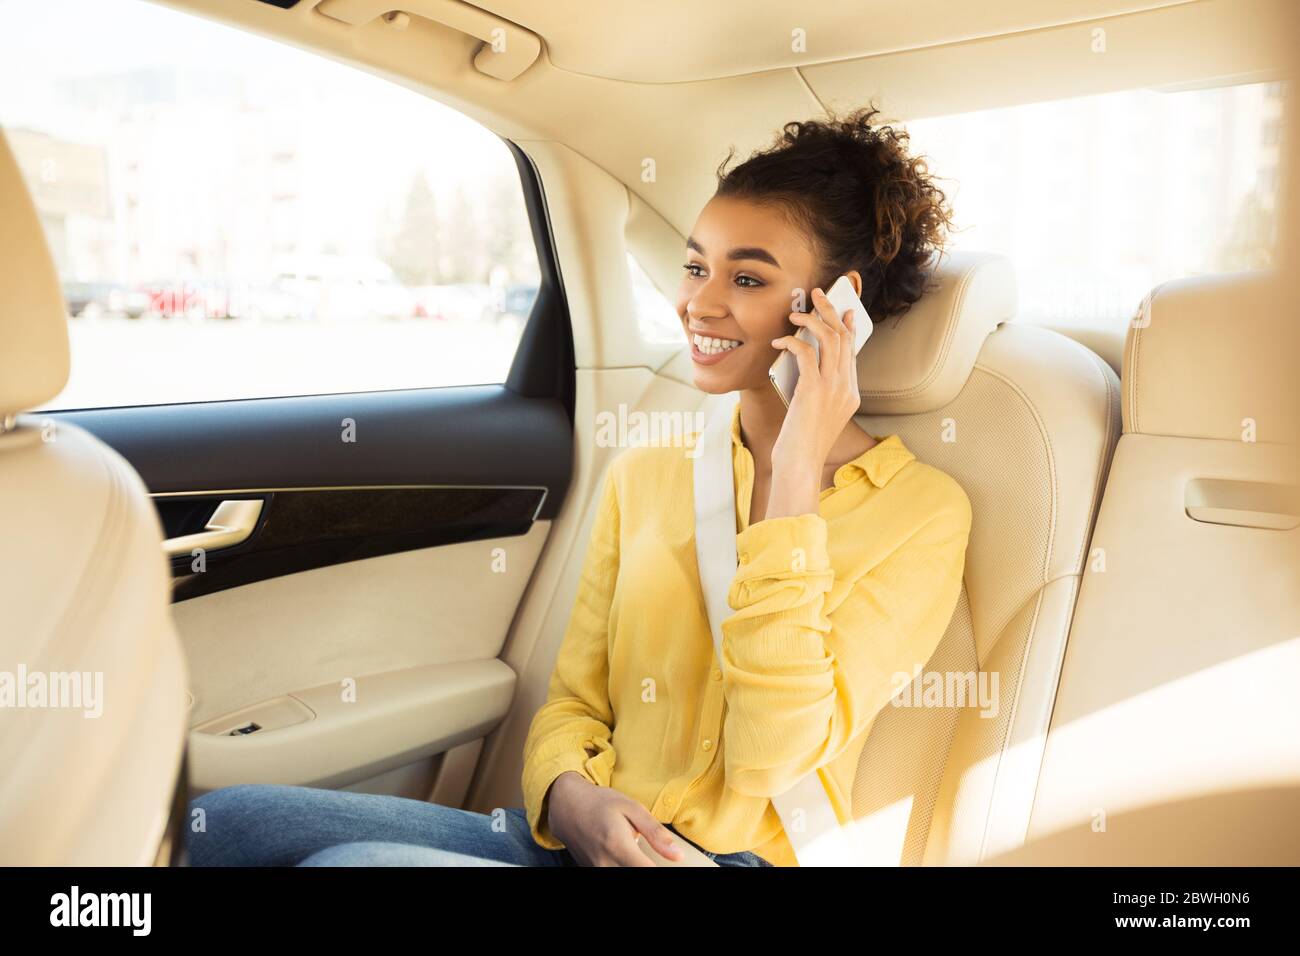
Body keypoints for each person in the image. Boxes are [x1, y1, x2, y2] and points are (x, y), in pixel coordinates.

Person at [185, 104, 970, 867]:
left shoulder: (921, 515)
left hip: (726, 859)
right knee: (220, 824)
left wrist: (797, 470)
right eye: (697, 266)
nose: (698, 301)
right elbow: (572, 701)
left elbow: (772, 756)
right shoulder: (648, 475)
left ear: (837, 309)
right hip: (577, 836)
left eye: (748, 278)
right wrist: (566, 796)